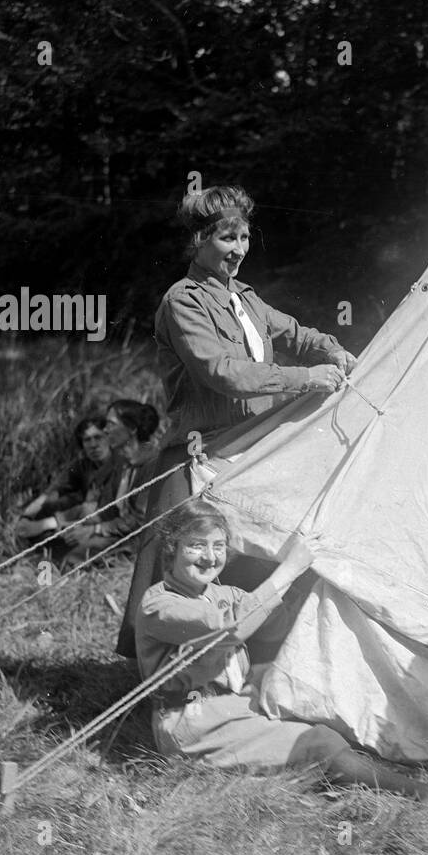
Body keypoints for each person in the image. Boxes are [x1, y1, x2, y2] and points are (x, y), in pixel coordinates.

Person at [116, 185, 357, 658]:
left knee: (255, 557)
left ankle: (258, 658)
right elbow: (223, 372)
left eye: (245, 237)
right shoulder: (183, 302)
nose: (240, 249)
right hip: (204, 452)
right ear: (199, 241)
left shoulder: (245, 298)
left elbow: (296, 333)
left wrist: (331, 349)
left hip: (256, 448)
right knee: (194, 565)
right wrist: (304, 379)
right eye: (228, 238)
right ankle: (176, 675)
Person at [137, 499, 428, 798]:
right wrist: (289, 569)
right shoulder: (160, 602)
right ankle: (424, 794)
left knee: (323, 714)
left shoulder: (222, 594)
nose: (210, 557)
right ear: (171, 546)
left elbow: (275, 622)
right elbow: (230, 627)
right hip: (192, 725)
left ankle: (334, 769)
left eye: (218, 545)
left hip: (236, 708)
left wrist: (312, 581)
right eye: (196, 546)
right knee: (319, 744)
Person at [18, 400, 162, 570]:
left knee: (72, 560)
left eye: (111, 424)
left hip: (140, 541)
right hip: (115, 531)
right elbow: (106, 508)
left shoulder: (153, 465)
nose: (106, 429)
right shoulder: (122, 463)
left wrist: (95, 529)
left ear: (132, 429)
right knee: (58, 543)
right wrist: (80, 526)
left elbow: (139, 521)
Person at [15, 416, 114, 538]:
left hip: (107, 523)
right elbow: (49, 492)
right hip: (85, 517)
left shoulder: (121, 464)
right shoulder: (83, 465)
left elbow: (97, 510)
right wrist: (25, 518)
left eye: (98, 437)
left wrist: (46, 524)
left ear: (109, 438)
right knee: (51, 503)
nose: (93, 445)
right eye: (87, 440)